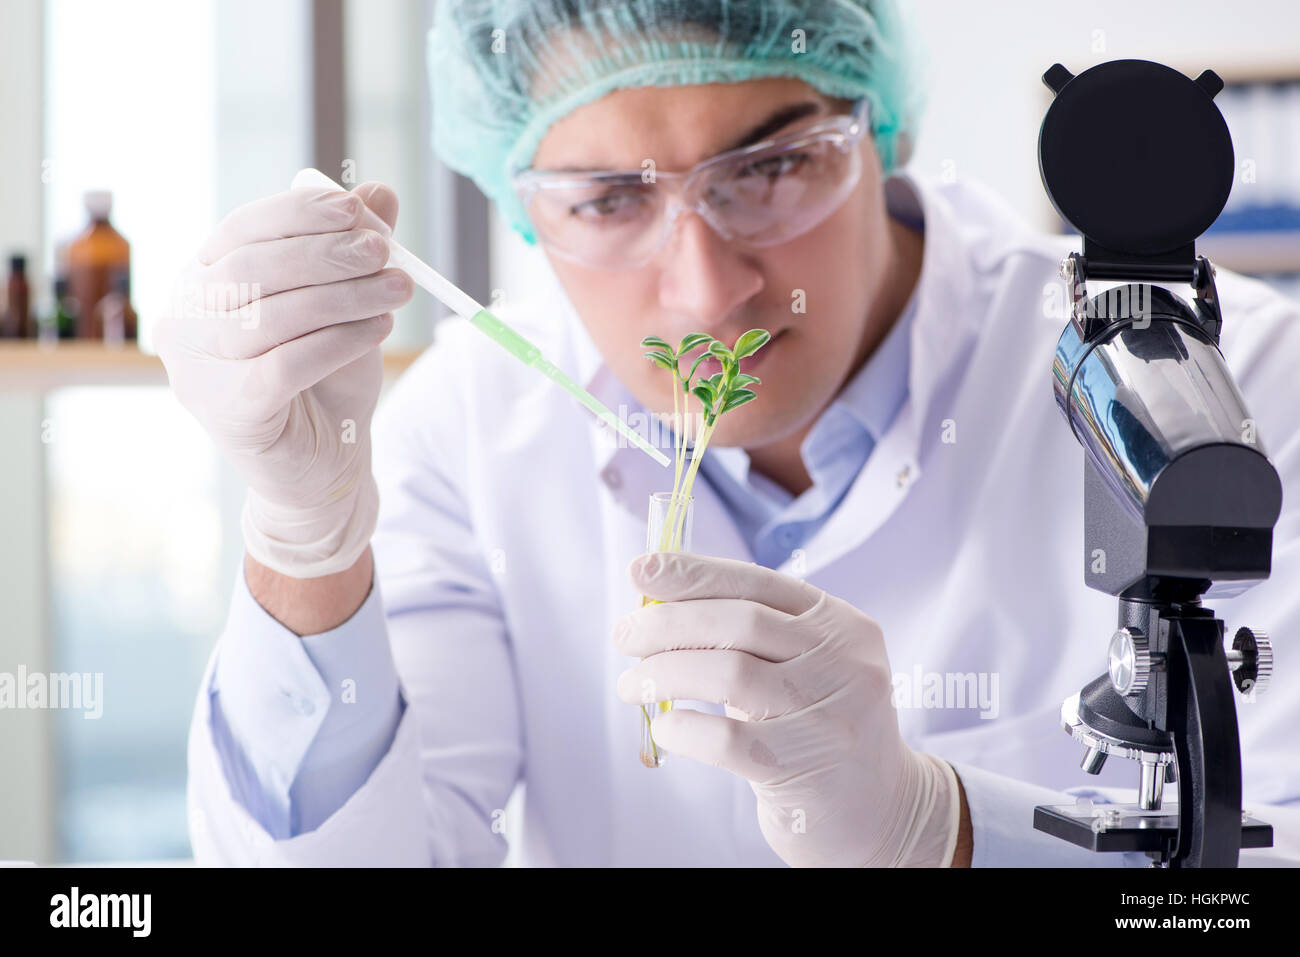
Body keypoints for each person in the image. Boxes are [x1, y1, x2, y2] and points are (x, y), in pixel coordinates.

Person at [156, 0, 1300, 866]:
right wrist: (304, 549)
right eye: (609, 199)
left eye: (772, 167)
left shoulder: (1225, 392)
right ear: (522, 204)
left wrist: (941, 829)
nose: (707, 292)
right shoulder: (464, 429)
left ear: (878, 128)